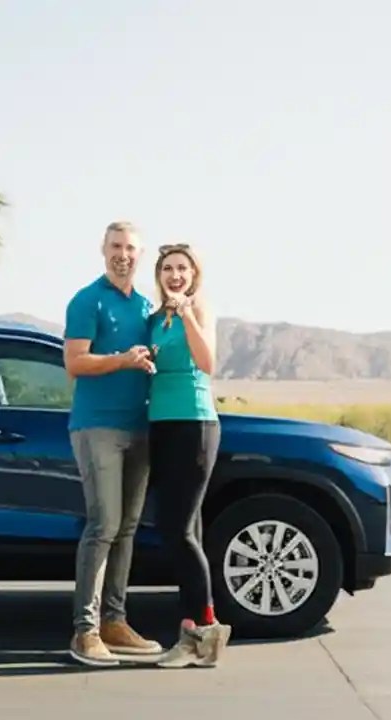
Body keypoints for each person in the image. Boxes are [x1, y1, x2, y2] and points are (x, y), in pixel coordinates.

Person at [63, 220, 164, 667]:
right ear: (103, 250)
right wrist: (122, 360)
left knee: (127, 527)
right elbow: (74, 362)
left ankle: (114, 621)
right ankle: (84, 631)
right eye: (116, 246)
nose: (124, 254)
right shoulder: (87, 300)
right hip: (96, 427)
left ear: (141, 256)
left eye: (131, 248)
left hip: (138, 428)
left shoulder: (146, 307)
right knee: (102, 524)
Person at [146, 243, 232, 668]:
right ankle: (191, 637)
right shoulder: (154, 319)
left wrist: (185, 314)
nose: (174, 275)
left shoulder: (199, 310)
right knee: (184, 533)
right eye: (167, 268)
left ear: (194, 274)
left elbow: (207, 361)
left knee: (177, 530)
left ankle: (204, 631)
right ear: (159, 275)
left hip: (194, 424)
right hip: (160, 424)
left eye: (182, 268)